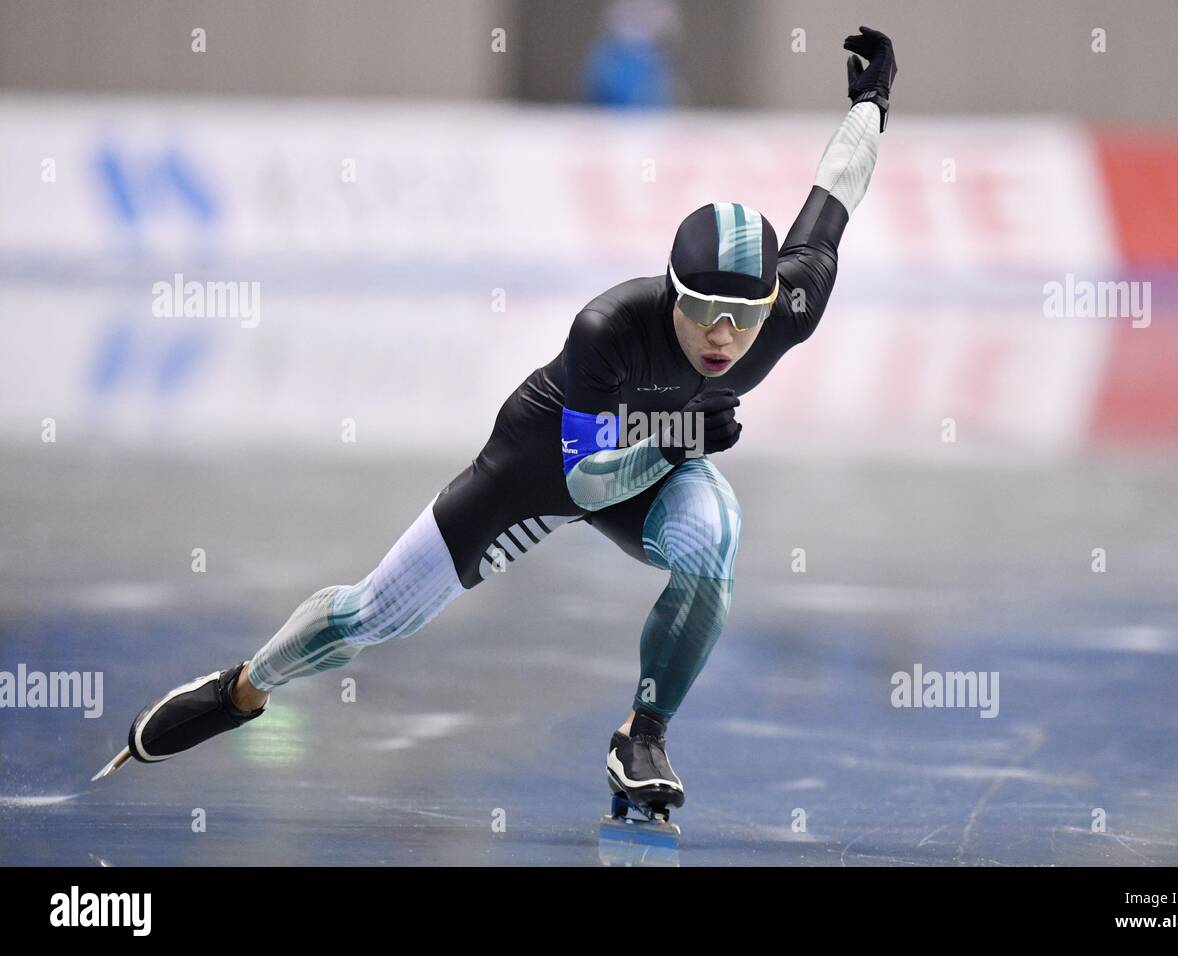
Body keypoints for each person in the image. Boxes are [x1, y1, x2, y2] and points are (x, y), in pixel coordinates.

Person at [103, 27, 897, 819]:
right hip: (541, 462)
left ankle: (642, 735)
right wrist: (685, 437)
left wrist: (871, 102)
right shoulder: (609, 330)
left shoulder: (792, 304)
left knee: (716, 535)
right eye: (701, 311)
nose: (723, 336)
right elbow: (586, 482)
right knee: (370, 617)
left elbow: (836, 194)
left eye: (742, 316)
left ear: (772, 304)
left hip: (649, 465)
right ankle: (240, 690)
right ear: (669, 293)